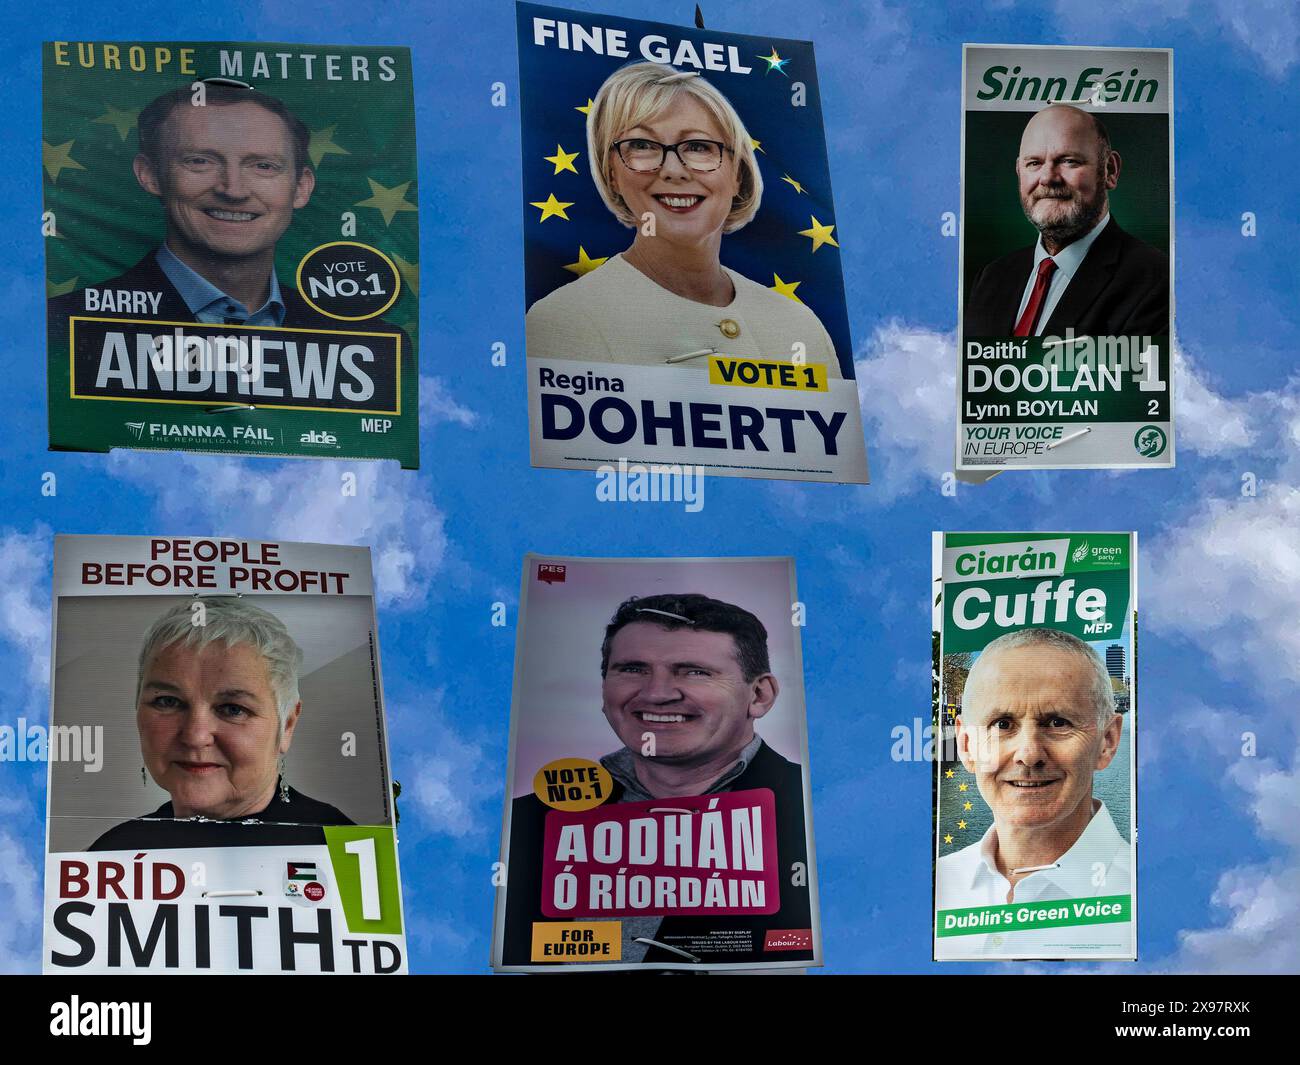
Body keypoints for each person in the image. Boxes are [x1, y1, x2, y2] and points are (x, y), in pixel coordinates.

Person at [501, 593, 813, 967]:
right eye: (632, 669)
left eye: (694, 671)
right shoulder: (527, 820)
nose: (657, 693)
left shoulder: (811, 811)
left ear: (759, 695)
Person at [525, 62, 843, 377]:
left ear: (737, 174)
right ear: (612, 173)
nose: (674, 170)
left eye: (698, 146)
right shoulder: (564, 321)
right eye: (643, 146)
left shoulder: (803, 327)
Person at [50, 81, 340, 330]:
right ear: (150, 175)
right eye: (200, 161)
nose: (233, 190)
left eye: (263, 166)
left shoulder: (366, 338)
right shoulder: (63, 325)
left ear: (301, 188)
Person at [90, 597, 353, 851]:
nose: (195, 735)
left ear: (286, 726)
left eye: (233, 709)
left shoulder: (346, 852)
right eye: (168, 702)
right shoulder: (110, 856)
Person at [935, 628, 1131, 958]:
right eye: (1002, 724)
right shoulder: (938, 884)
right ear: (966, 745)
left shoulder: (1145, 894)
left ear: (1107, 742)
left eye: (1057, 722)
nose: (1028, 754)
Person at [963, 104, 1169, 338]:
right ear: (1019, 172)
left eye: (1069, 161)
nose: (1048, 178)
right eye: (1034, 163)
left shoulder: (1157, 281)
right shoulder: (992, 277)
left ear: (1110, 170)